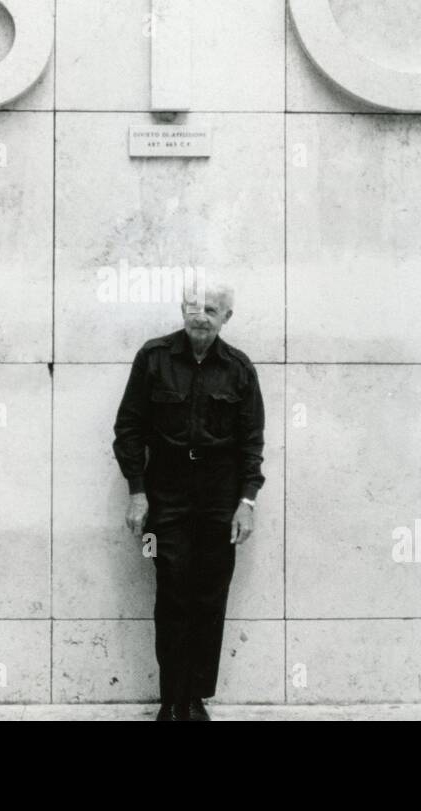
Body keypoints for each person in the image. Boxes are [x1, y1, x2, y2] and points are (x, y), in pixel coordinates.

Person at [111, 281, 265, 721]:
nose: (201, 315)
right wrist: (137, 491)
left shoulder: (239, 369)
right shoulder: (154, 358)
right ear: (182, 309)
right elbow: (129, 429)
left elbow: (251, 442)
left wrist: (246, 503)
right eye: (194, 307)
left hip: (219, 494)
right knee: (172, 590)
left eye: (212, 309)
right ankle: (171, 699)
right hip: (165, 493)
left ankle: (195, 699)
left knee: (210, 595)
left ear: (226, 318)